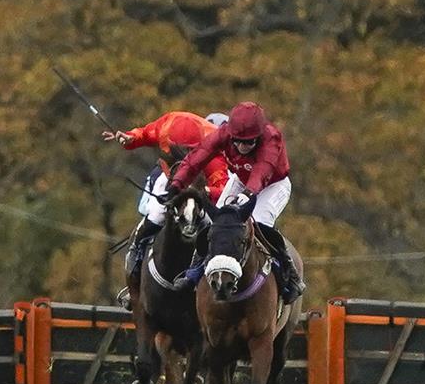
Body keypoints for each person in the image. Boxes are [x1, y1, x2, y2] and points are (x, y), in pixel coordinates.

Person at [167, 101, 304, 304]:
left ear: (259, 137)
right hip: (241, 181)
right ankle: (194, 272)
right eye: (238, 141)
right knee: (218, 224)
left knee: (259, 222)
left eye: (249, 143)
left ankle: (289, 273)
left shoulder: (271, 138)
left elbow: (262, 171)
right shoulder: (223, 134)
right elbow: (198, 157)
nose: (242, 147)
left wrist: (248, 194)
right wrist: (177, 183)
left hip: (272, 184)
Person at [105, 110, 229, 306]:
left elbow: (223, 188)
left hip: (202, 179)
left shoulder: (214, 151)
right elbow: (144, 134)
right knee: (156, 214)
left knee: (217, 223)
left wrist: (202, 191)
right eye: (178, 150)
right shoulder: (166, 126)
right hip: (171, 174)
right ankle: (136, 263)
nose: (185, 156)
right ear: (168, 142)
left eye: (190, 152)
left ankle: (219, 279)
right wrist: (129, 138)